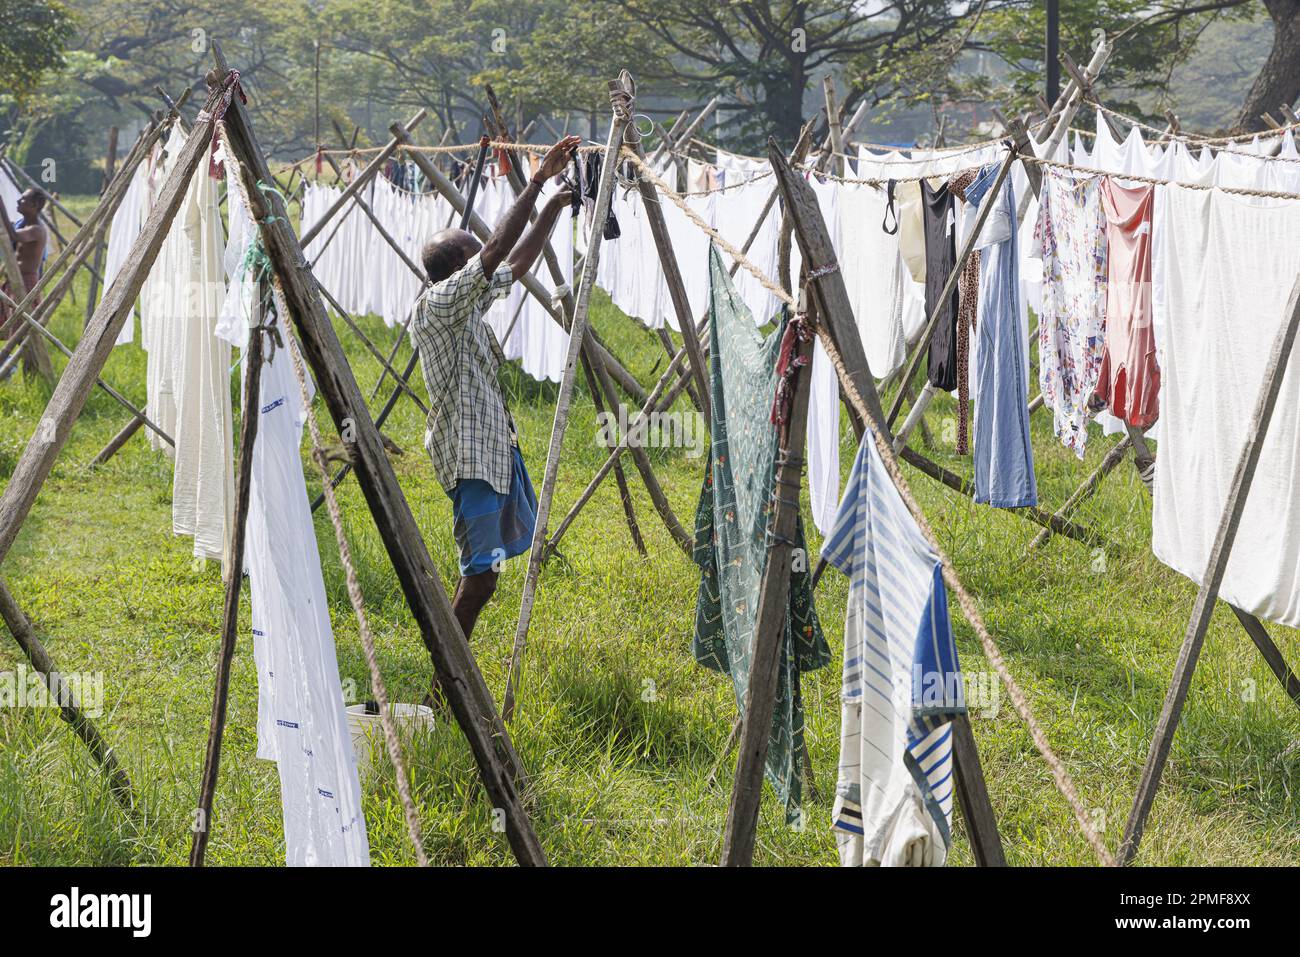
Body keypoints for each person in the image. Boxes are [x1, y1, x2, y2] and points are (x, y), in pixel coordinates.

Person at [413, 135, 580, 641]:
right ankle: (446, 684)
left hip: (489, 452)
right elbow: (497, 251)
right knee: (481, 577)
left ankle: (449, 675)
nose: (483, 256)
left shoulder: (465, 305)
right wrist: (534, 182)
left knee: (482, 574)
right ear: (457, 268)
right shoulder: (439, 306)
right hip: (469, 458)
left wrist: (552, 205)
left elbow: (515, 263)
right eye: (472, 254)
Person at [1, 188, 48, 338]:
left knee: (23, 330)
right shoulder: (23, 225)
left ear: (34, 205)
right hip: (14, 282)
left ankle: (28, 360)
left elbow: (13, 235)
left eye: (23, 199)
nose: (18, 201)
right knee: (10, 327)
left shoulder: (37, 230)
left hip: (25, 283)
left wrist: (1, 204)